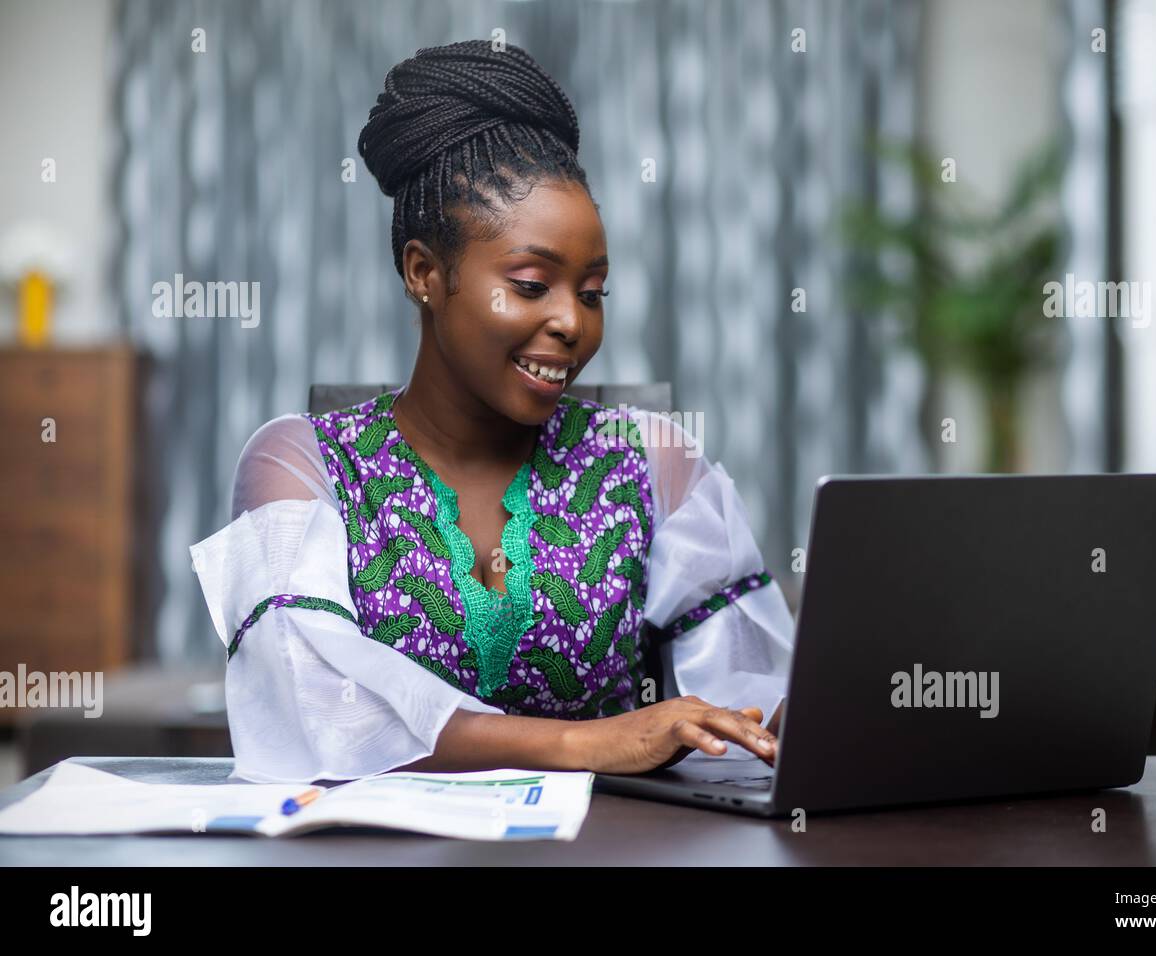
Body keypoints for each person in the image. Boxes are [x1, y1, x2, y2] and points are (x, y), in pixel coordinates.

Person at [189, 39, 793, 784]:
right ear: (424, 272)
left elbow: (754, 711)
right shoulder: (301, 464)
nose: (574, 322)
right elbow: (308, 704)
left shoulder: (653, 461)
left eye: (593, 291)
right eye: (532, 284)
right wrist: (588, 743)